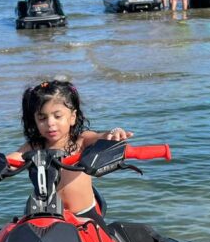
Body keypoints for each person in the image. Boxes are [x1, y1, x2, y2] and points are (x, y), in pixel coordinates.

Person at [11, 80, 133, 222]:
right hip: (49, 216)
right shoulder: (34, 147)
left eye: (57, 116)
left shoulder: (80, 141)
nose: (50, 123)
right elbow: (11, 161)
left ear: (72, 117)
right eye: (42, 118)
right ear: (35, 121)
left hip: (85, 215)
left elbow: (101, 136)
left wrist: (114, 133)